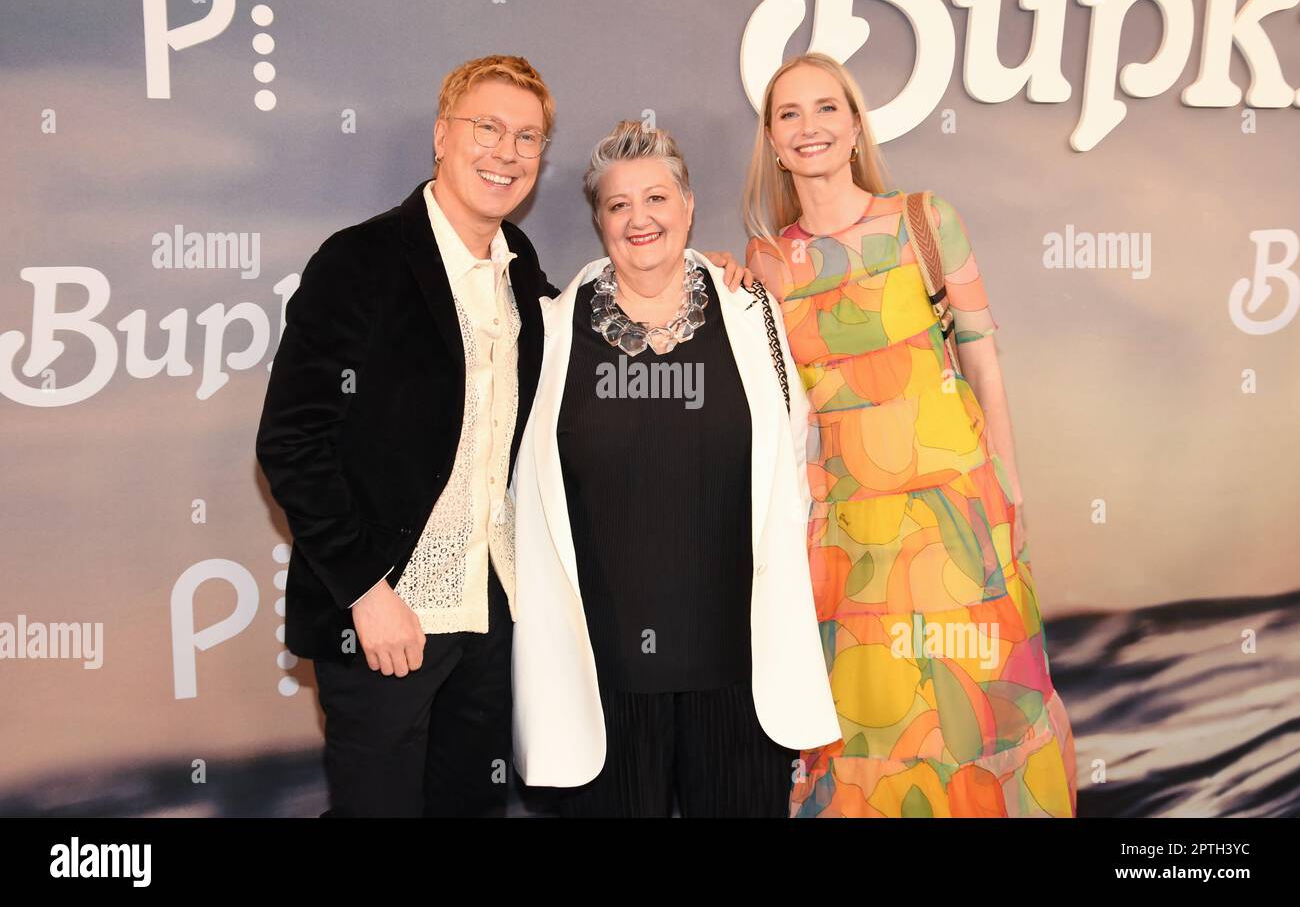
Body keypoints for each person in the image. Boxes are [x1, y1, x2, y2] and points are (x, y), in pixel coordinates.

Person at [256, 55, 751, 817]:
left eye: (527, 137)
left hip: (493, 622)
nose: (506, 152)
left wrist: (700, 276)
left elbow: (613, 314)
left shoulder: (522, 272)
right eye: (487, 128)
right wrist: (365, 590)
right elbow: (290, 441)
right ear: (441, 137)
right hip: (388, 621)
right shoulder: (361, 260)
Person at [742, 53, 1078, 817]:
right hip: (849, 536)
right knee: (872, 731)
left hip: (957, 515)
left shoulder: (924, 220)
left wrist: (1010, 488)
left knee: (976, 719)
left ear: (855, 124)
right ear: (770, 137)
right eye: (789, 114)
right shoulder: (766, 260)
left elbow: (982, 359)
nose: (810, 128)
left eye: (827, 108)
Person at [511, 120, 840, 817]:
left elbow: (795, 447)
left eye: (657, 198)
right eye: (619, 204)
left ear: (688, 207)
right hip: (603, 682)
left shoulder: (751, 312)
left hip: (739, 676)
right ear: (598, 221)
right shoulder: (549, 332)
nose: (641, 219)